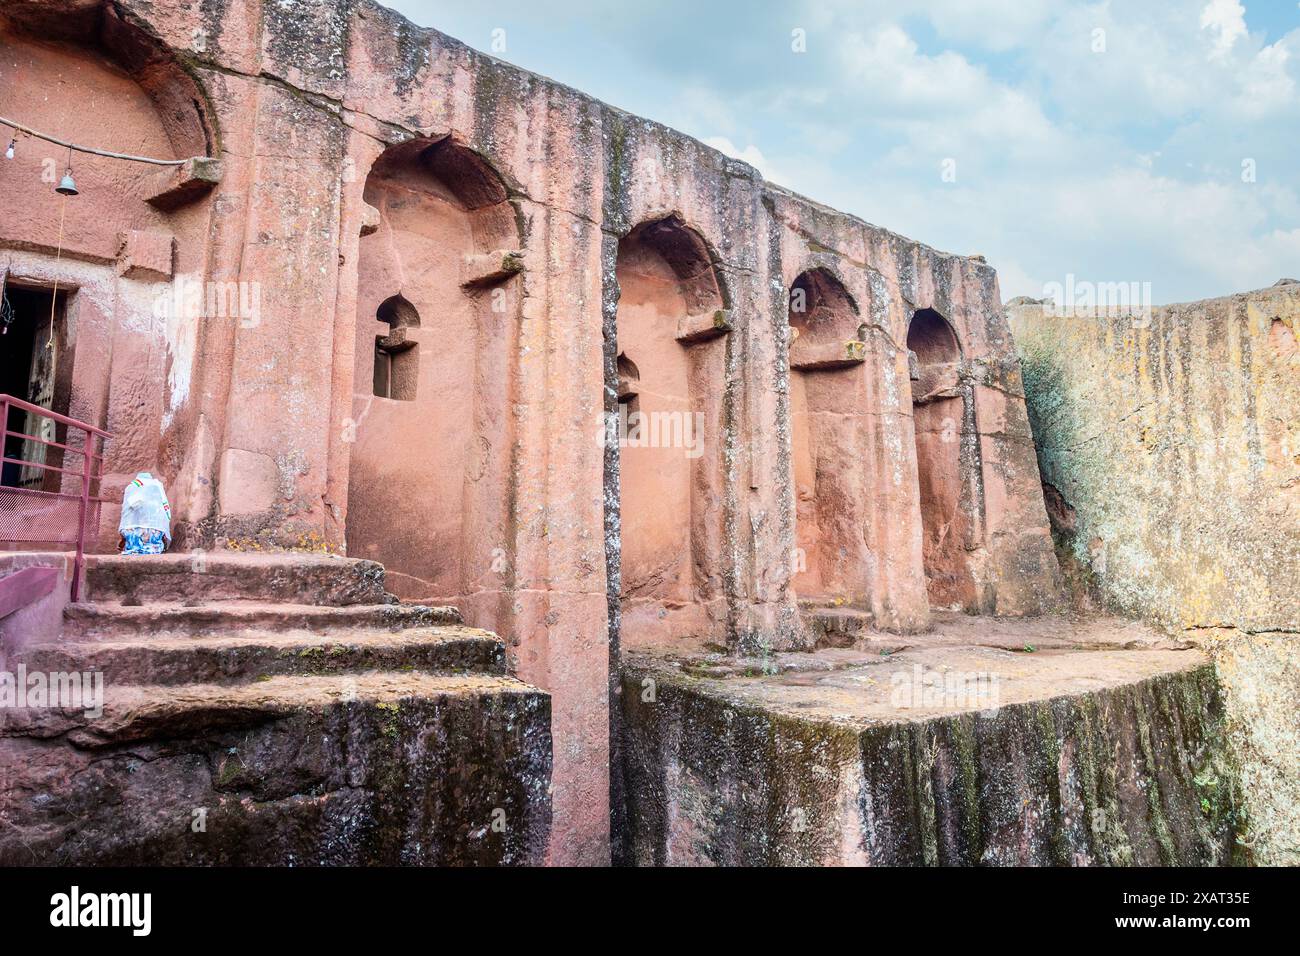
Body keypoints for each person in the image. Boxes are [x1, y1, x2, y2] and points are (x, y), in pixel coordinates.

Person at [118, 471, 171, 555]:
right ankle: (152, 547)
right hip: (154, 531)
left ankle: (134, 548)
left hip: (132, 531)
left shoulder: (131, 487)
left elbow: (125, 514)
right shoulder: (156, 487)